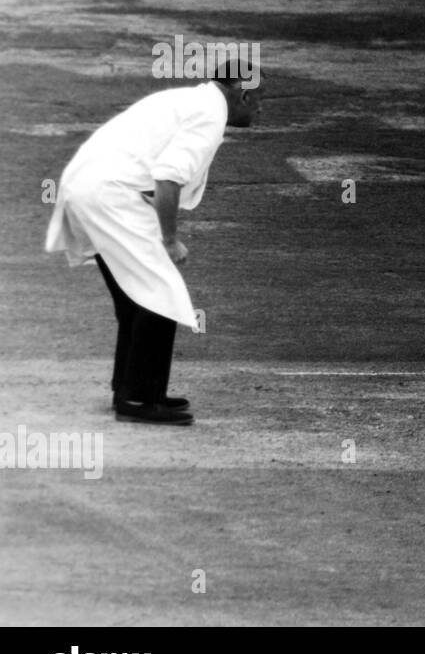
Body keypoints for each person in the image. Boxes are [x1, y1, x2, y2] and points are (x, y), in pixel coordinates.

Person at [45, 69, 263, 425]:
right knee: (160, 292)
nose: (261, 108)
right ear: (242, 96)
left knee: (136, 298)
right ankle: (139, 399)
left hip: (87, 186)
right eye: (259, 98)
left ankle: (132, 390)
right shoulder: (208, 114)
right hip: (108, 193)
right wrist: (169, 240)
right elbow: (167, 178)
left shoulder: (191, 101)